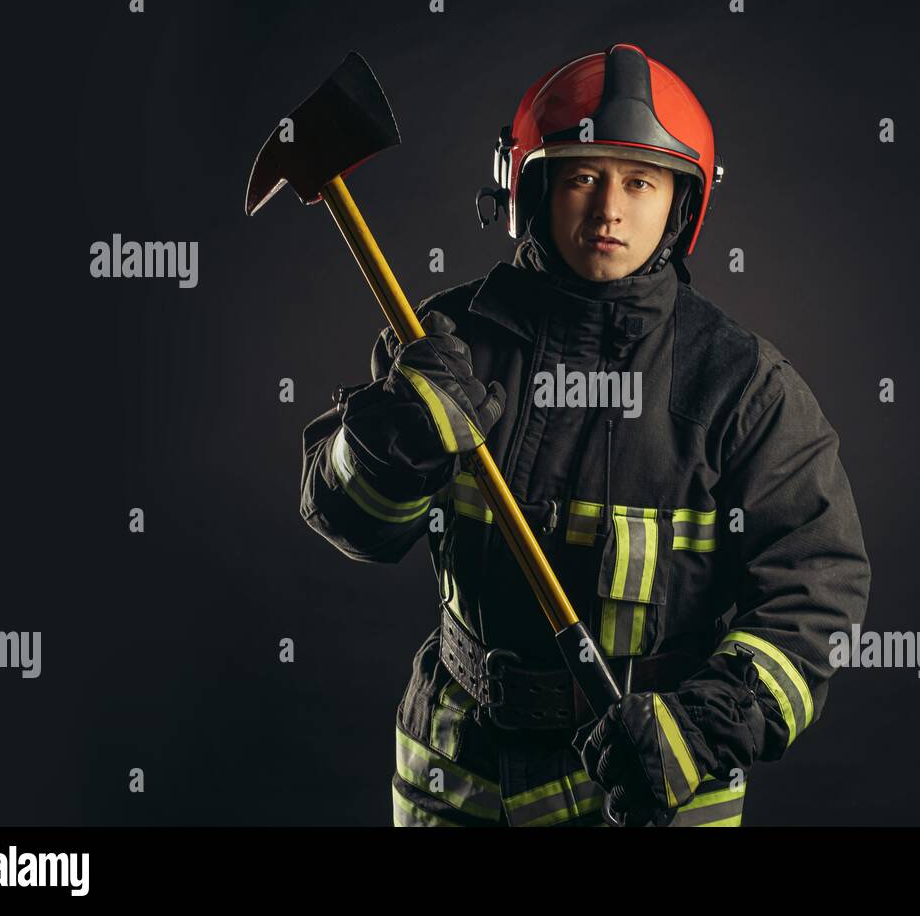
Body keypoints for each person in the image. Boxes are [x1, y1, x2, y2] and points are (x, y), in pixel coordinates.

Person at [298, 43, 872, 826]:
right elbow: (355, 527)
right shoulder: (442, 341)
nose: (609, 210)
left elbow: (819, 595)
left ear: (682, 204)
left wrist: (700, 729)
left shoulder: (742, 388)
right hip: (458, 778)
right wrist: (391, 442)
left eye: (640, 181)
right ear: (528, 187)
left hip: (643, 786)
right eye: (581, 176)